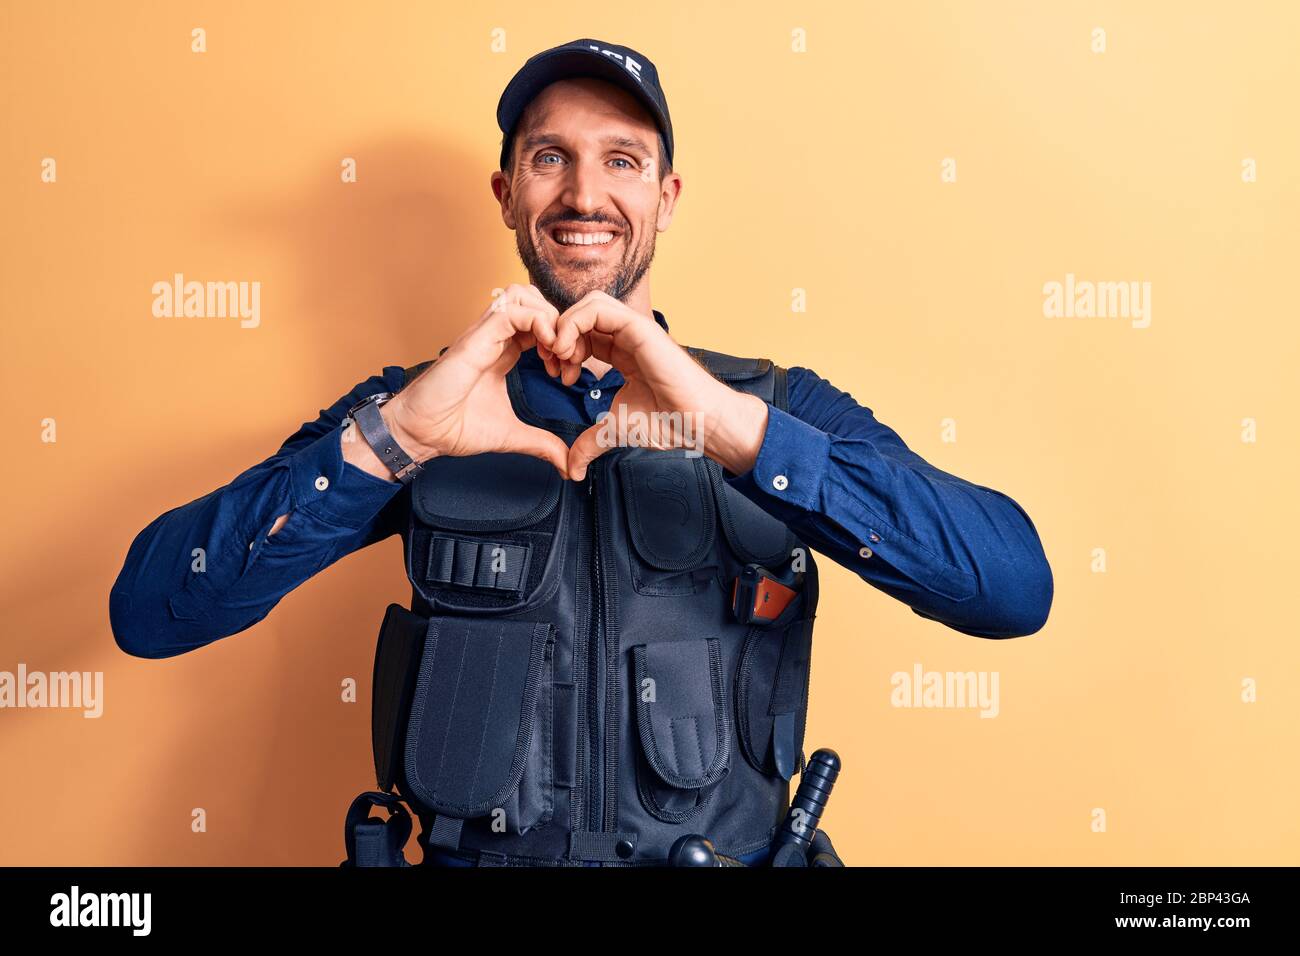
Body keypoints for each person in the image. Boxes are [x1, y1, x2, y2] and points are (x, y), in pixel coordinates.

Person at [110, 38, 1053, 867]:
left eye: (623, 161)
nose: (584, 195)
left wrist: (730, 430)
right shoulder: (419, 408)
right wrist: (392, 438)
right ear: (508, 193)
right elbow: (152, 610)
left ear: (667, 197)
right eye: (550, 158)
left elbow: (1012, 587)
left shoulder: (772, 405)